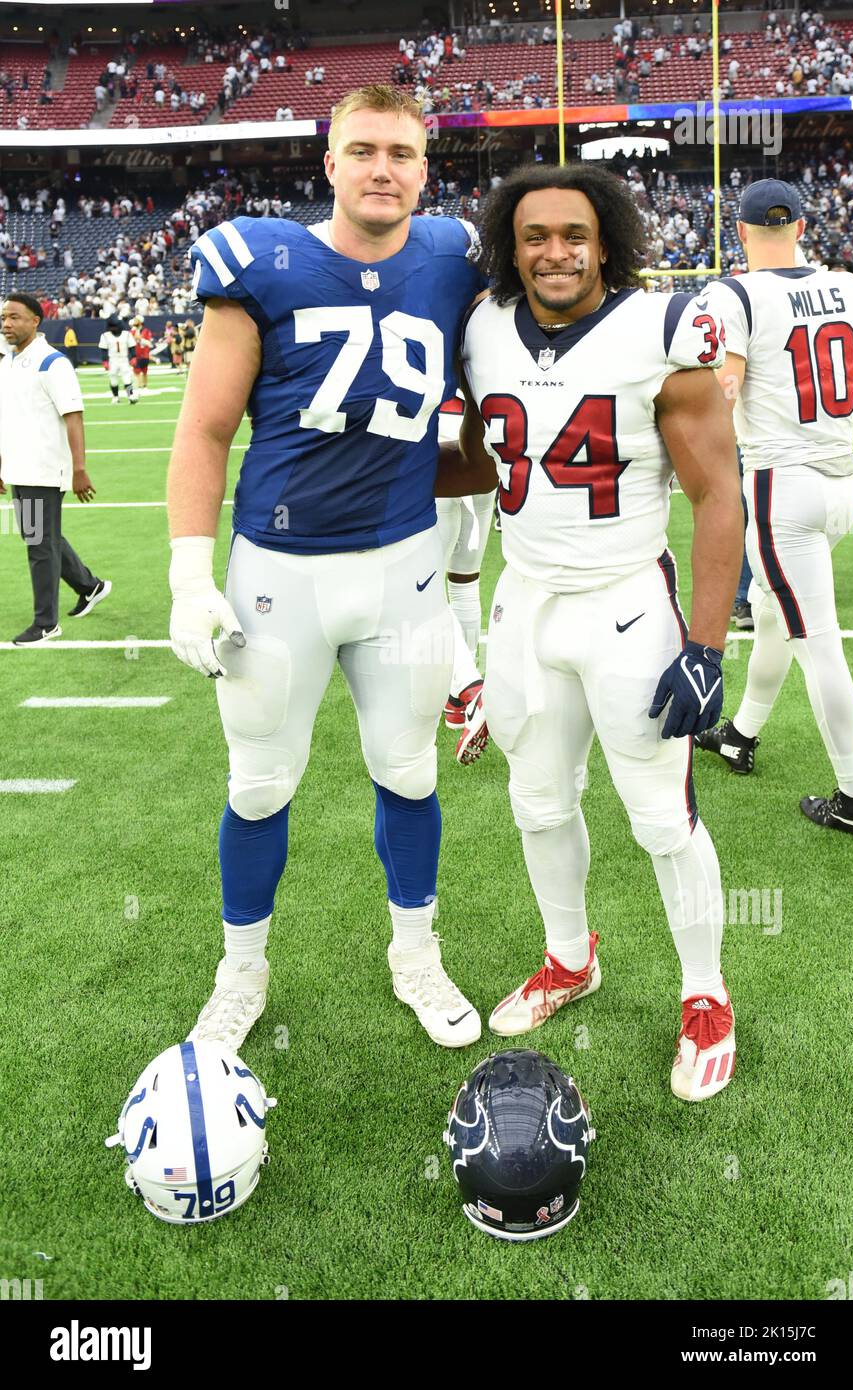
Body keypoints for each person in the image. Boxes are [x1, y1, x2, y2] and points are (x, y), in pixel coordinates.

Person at [167, 85, 486, 1052]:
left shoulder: (451, 257)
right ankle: (242, 972)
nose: (382, 169)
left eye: (402, 152)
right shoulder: (260, 259)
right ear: (331, 164)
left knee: (409, 772)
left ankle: (417, 954)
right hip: (281, 574)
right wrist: (189, 569)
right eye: (363, 151)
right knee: (260, 784)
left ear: (425, 170)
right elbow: (207, 426)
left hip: (406, 566)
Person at [437, 164, 742, 1101]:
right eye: (535, 237)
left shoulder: (660, 330)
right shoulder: (482, 327)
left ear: (606, 240)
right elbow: (495, 464)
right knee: (538, 804)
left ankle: (706, 993)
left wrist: (704, 644)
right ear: (510, 244)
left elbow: (716, 494)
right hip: (523, 604)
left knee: (660, 817)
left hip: (625, 603)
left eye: (574, 234)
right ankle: (571, 957)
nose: (555, 252)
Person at [698, 180, 853, 837]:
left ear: (740, 231)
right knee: (770, 611)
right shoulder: (850, 286)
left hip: (781, 486)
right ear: (801, 225)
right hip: (837, 482)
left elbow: (727, 382)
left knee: (816, 643)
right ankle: (741, 733)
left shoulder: (735, 292)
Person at [0, 293, 110, 645]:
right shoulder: (8, 362)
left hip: (45, 469)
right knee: (40, 536)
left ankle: (46, 623)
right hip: (21, 468)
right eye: (3, 318)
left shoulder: (52, 362)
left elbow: (73, 417)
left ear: (36, 320)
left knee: (38, 543)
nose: (6, 324)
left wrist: (79, 468)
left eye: (15, 317)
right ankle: (90, 586)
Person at [435, 393, 496, 763]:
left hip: (436, 441)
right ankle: (457, 700)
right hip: (483, 442)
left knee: (424, 592)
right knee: (465, 581)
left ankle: (470, 689)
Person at [99, 316, 138, 404]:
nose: (114, 328)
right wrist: (104, 361)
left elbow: (132, 346)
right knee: (113, 378)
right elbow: (103, 349)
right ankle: (115, 396)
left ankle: (130, 396)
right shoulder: (105, 336)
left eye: (115, 326)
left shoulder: (126, 334)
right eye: (112, 326)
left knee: (127, 378)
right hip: (112, 359)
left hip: (124, 359)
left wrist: (134, 357)